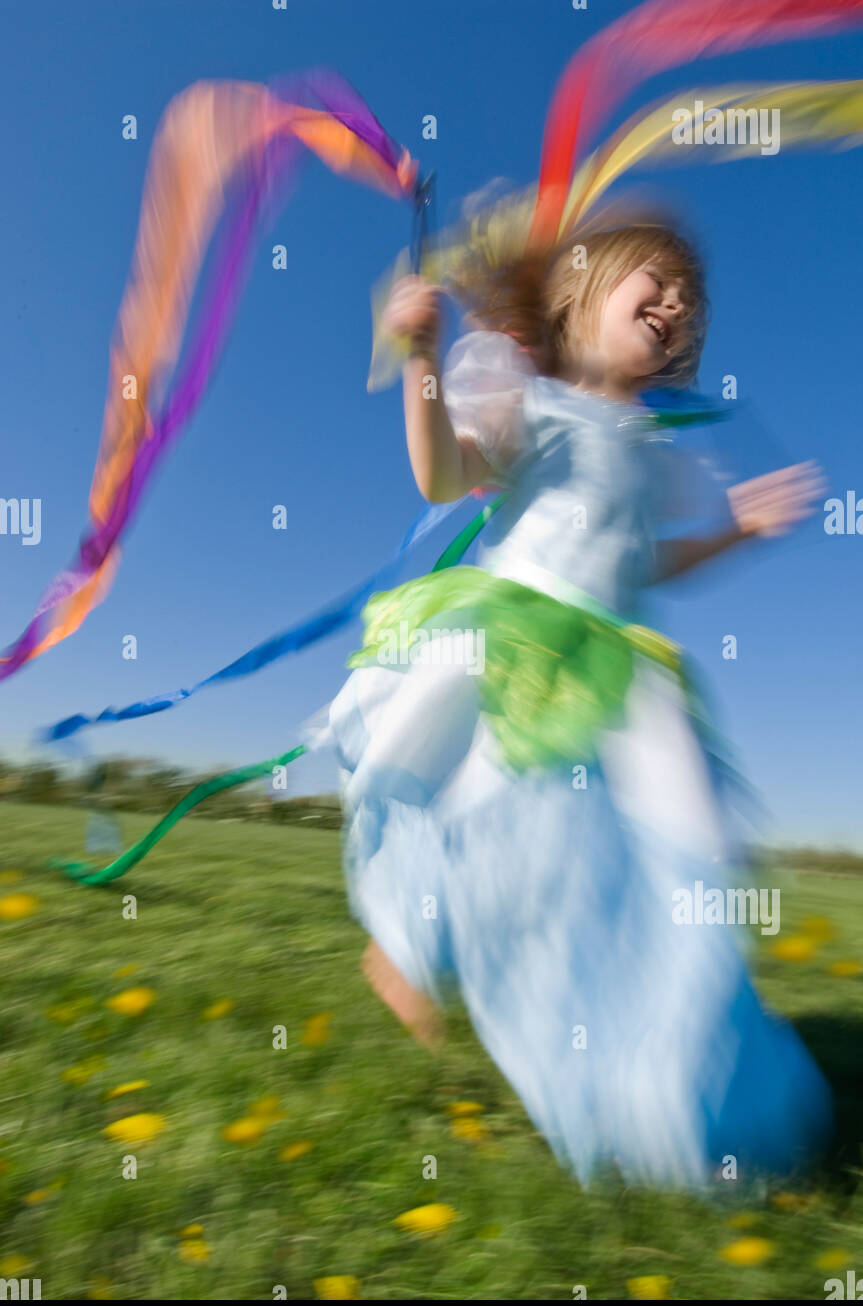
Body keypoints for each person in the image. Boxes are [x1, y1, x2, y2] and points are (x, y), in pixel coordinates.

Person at [323, 218, 830, 1189]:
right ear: (576, 297)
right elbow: (441, 474)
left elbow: (644, 557)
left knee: (661, 853)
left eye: (686, 299)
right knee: (467, 793)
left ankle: (662, 1068)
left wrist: (736, 532)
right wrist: (422, 358)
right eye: (656, 281)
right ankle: (406, 942)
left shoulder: (651, 441)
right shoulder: (533, 405)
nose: (676, 304)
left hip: (616, 667)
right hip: (516, 634)